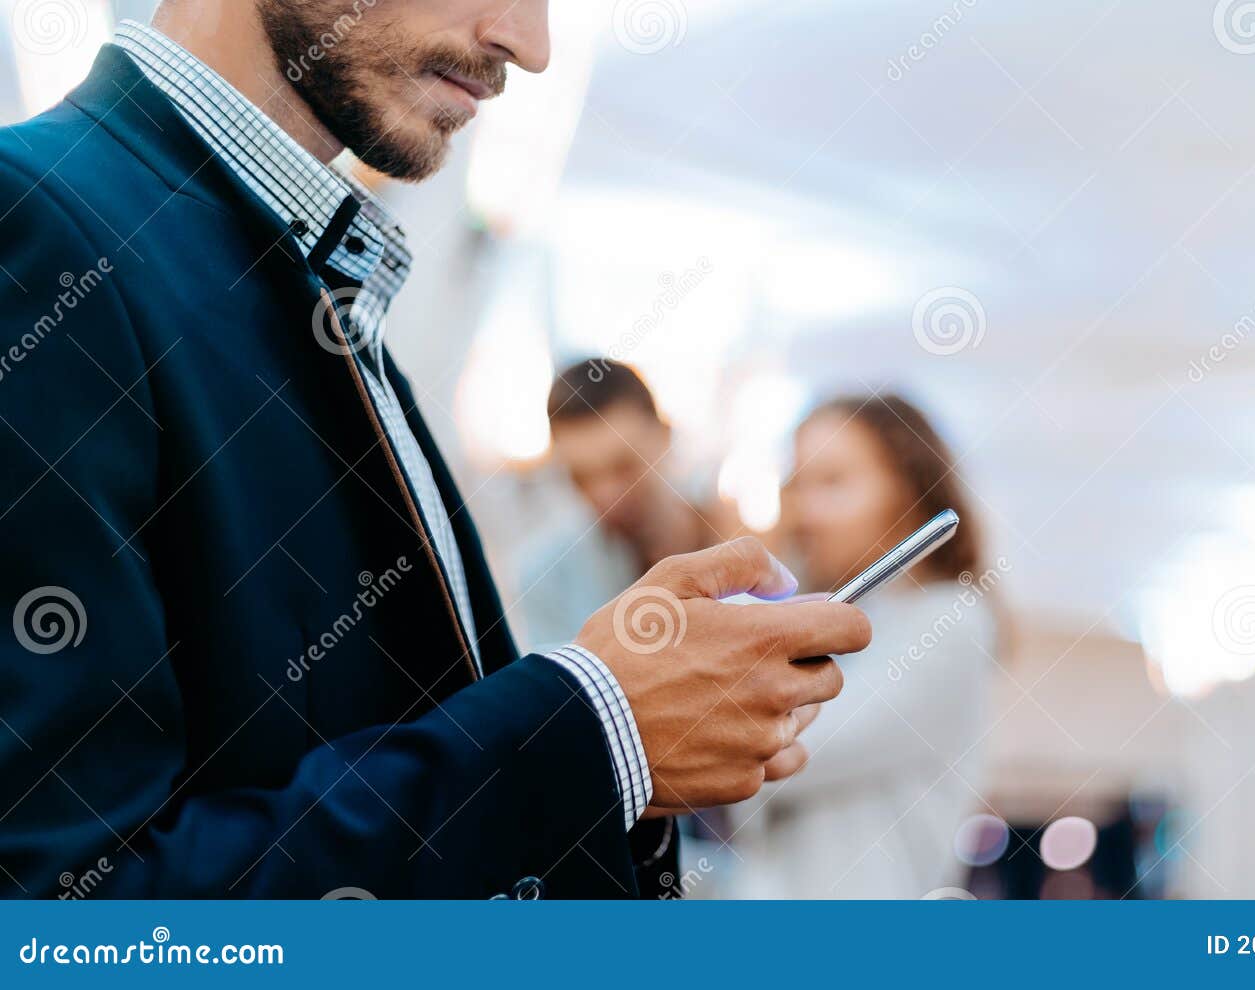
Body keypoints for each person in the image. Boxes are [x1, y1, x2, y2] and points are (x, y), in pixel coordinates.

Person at [0, 0, 869, 899]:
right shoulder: (34, 227)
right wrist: (595, 731)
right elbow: (61, 917)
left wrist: (630, 742)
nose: (528, 46)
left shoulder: (307, 276)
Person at [726, 394, 1001, 899]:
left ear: (909, 490)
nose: (805, 512)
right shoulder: (828, 618)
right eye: (798, 484)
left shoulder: (950, 621)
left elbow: (784, 748)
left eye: (833, 482)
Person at [519, 360, 735, 650]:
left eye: (623, 466)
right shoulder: (546, 577)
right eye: (581, 477)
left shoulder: (738, 536)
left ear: (664, 437)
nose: (605, 494)